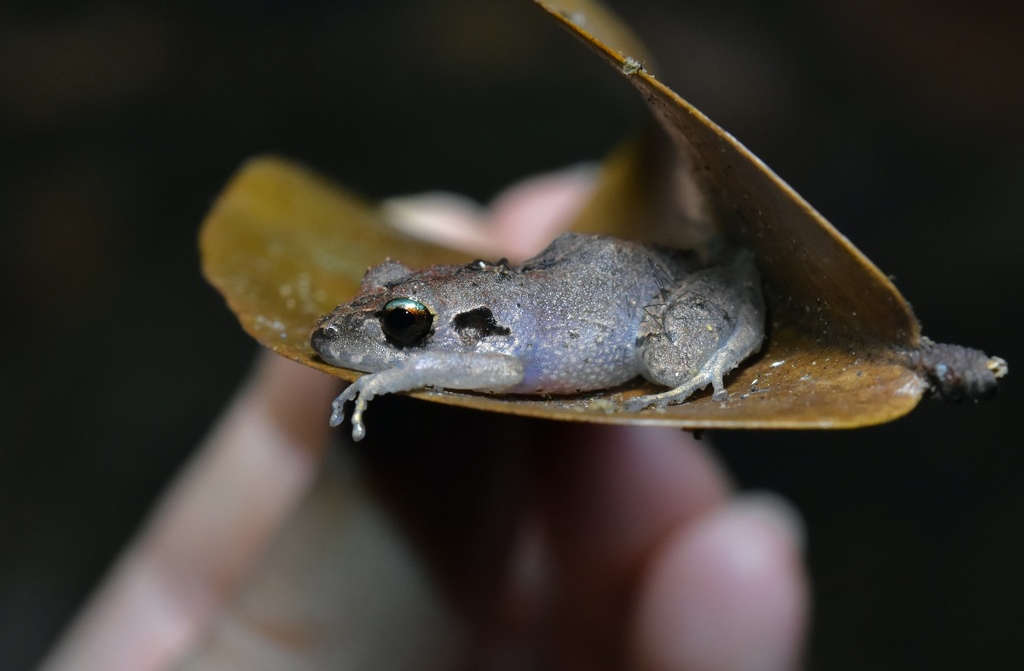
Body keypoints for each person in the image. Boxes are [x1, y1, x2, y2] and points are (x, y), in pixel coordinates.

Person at [39, 167, 808, 671]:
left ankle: (734, 297)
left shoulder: (482, 343)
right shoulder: (464, 324)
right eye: (391, 307)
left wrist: (410, 369)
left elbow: (502, 368)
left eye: (404, 323)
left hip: (642, 302)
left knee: (672, 365)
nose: (390, 336)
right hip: (587, 275)